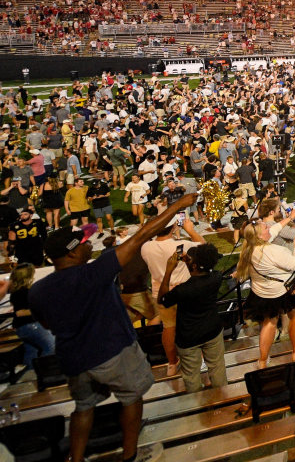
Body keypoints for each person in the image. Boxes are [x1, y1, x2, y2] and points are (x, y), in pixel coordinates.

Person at [29, 192, 197, 462]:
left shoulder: (38, 290)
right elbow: (142, 234)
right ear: (73, 252)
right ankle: (129, 455)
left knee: (83, 408)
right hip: (113, 351)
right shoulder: (95, 271)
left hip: (73, 358)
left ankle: (77, 458)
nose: (89, 245)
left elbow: (47, 323)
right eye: (84, 243)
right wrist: (177, 206)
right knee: (131, 399)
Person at [236, 206, 295, 369]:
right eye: (265, 227)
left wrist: (289, 217)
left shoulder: (250, 247)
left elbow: (275, 230)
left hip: (262, 292)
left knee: (269, 323)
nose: (269, 227)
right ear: (260, 234)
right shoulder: (273, 250)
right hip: (283, 291)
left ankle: (263, 360)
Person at [141, 215, 207, 375]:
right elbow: (205, 247)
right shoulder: (181, 245)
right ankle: (198, 361)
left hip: (162, 293)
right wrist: (190, 230)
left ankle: (172, 363)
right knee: (192, 326)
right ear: (173, 228)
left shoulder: (146, 247)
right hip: (183, 291)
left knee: (168, 328)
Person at [157, 243, 227, 393]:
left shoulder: (183, 290)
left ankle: (196, 407)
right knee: (217, 368)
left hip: (189, 337)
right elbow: (203, 273)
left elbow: (162, 299)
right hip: (212, 330)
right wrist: (191, 262)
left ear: (195, 266)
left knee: (191, 376)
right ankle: (223, 401)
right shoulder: (216, 277)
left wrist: (168, 271)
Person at [0, 263, 55, 368]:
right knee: (51, 346)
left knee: (31, 351)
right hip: (30, 325)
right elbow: (20, 312)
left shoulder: (16, 293)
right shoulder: (25, 292)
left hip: (21, 327)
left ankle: (29, 374)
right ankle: (43, 369)